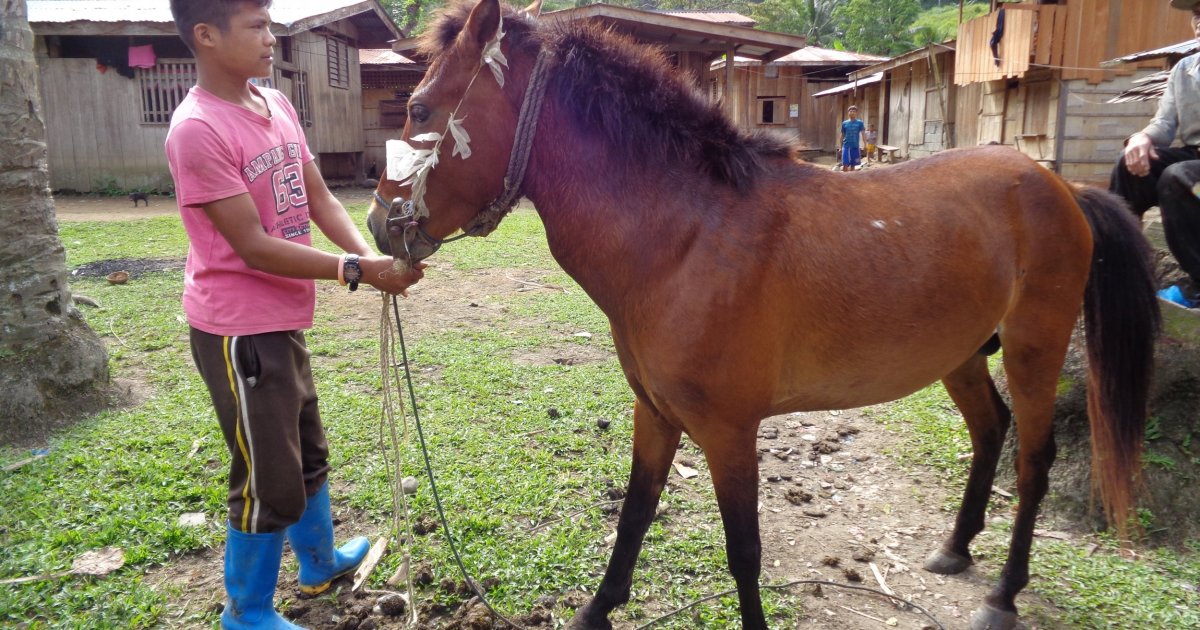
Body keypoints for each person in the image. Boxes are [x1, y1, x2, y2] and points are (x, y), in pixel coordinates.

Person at [165, 1, 424, 627]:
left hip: (282, 319)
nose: (271, 37)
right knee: (266, 472)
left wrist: (369, 253)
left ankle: (318, 561)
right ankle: (246, 610)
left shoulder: (273, 104)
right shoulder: (198, 129)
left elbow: (318, 196)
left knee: (305, 447)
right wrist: (354, 271)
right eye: (255, 26)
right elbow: (250, 246)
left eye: (269, 21)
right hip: (239, 330)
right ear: (206, 35)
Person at [1110, 0, 1200, 308]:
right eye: (1197, 14)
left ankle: (1199, 285)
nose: (1199, 21)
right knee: (1131, 165)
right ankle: (1114, 266)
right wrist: (1141, 138)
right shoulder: (1185, 69)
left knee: (1179, 179)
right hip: (1194, 160)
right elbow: (1163, 124)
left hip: (1192, 179)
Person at [840, 105, 866, 172]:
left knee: (853, 165)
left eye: (853, 111)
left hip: (855, 146)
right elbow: (842, 135)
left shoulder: (860, 123)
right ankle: (844, 179)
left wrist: (865, 144)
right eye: (850, 111)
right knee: (845, 164)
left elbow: (863, 134)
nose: (852, 112)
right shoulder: (844, 123)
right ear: (848, 112)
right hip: (846, 146)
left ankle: (851, 179)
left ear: (856, 113)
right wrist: (840, 147)